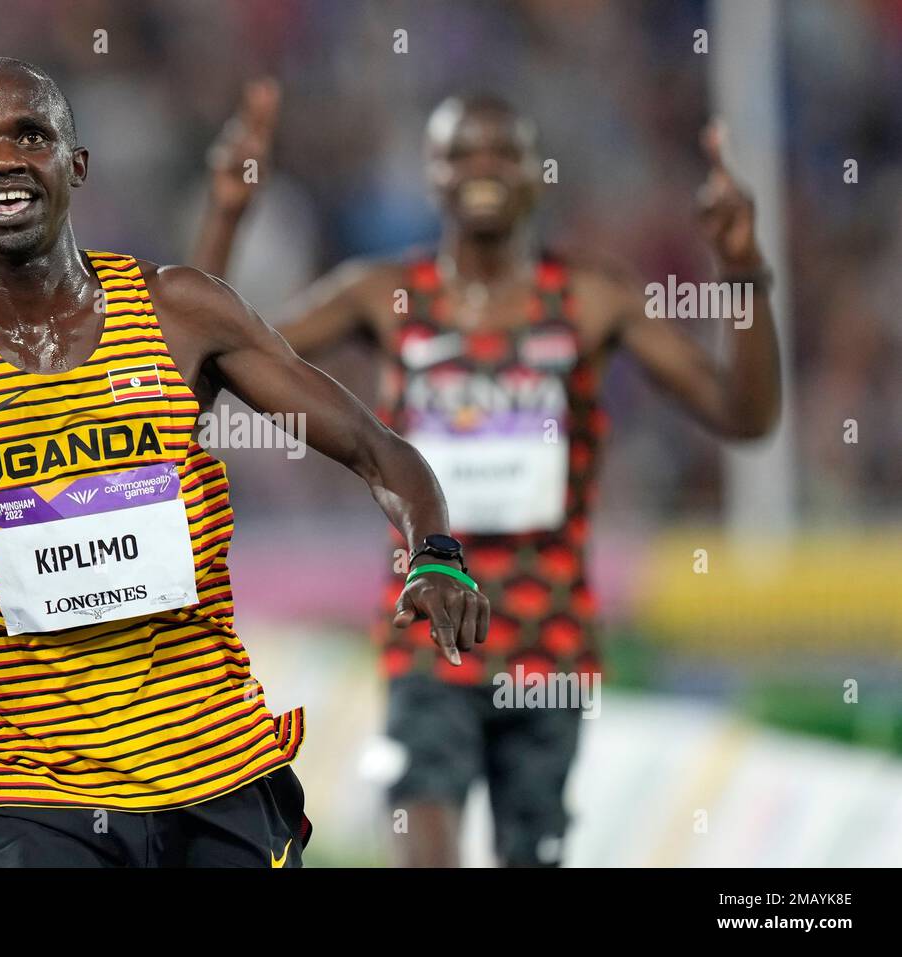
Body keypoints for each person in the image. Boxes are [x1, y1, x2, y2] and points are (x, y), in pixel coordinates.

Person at [0, 58, 487, 868]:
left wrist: (437, 554)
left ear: (74, 164)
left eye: (30, 135)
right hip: (33, 788)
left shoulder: (181, 311)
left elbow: (376, 448)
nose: (3, 159)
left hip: (215, 765)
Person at [192, 87, 780, 867]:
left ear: (539, 173)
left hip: (549, 644)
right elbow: (216, 360)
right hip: (426, 630)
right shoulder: (384, 294)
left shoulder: (590, 298)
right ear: (430, 175)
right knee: (423, 840)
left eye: (503, 151)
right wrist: (229, 214)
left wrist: (740, 271)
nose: (483, 169)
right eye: (460, 153)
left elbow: (743, 413)